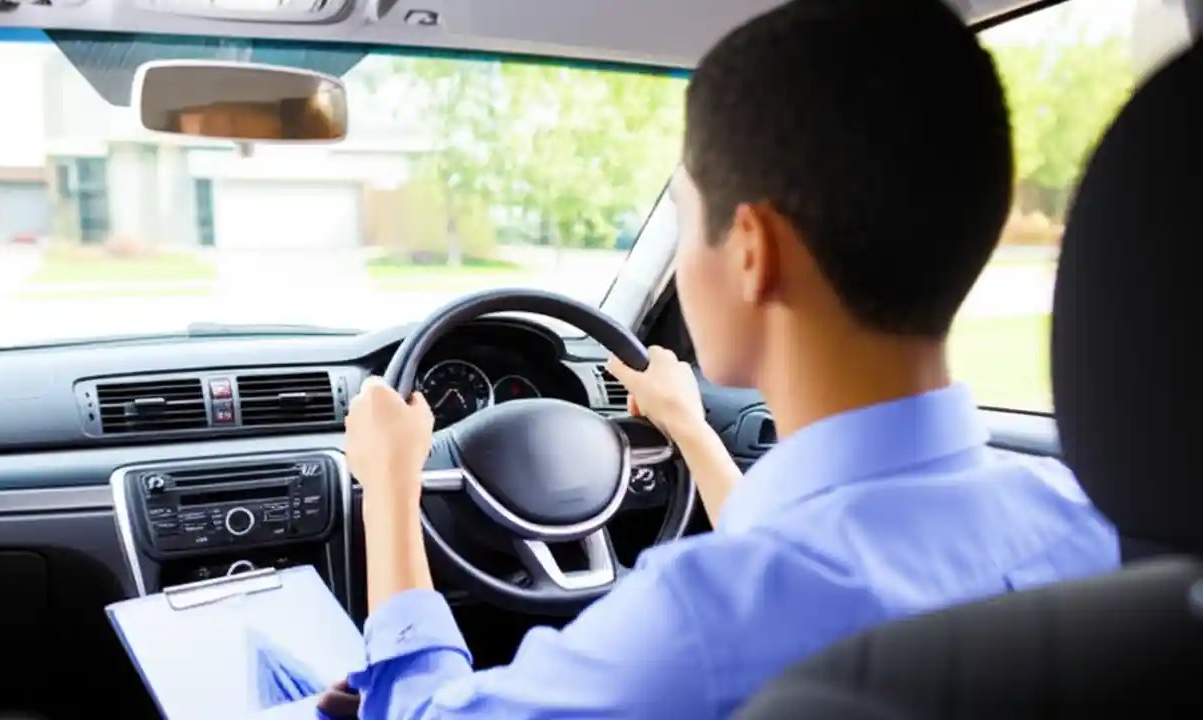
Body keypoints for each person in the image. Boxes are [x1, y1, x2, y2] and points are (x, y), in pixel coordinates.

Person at [320, 0, 1120, 717]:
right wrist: (692, 431)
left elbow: (427, 713)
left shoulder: (697, 628)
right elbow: (817, 543)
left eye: (688, 215)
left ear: (750, 250)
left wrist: (390, 487)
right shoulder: (1082, 524)